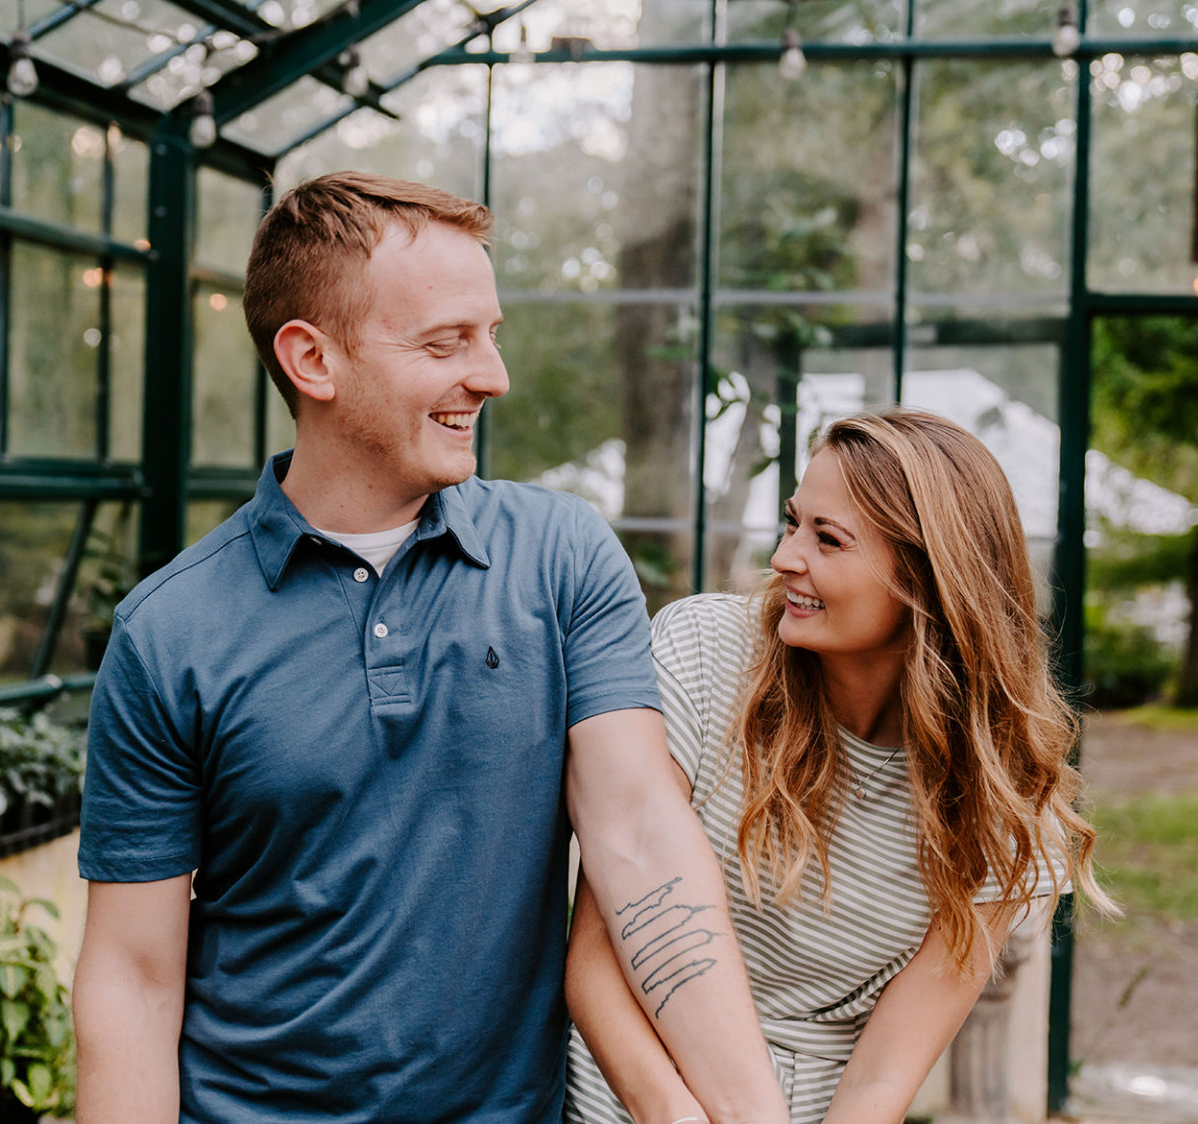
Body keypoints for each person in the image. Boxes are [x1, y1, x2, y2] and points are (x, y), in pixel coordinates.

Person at [71, 172, 791, 1124]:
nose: (492, 376)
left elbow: (643, 841)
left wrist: (751, 1115)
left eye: (492, 335)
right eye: (446, 342)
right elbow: (132, 976)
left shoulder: (562, 559)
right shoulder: (170, 632)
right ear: (311, 360)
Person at [564, 408, 1117, 1124]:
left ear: (927, 580)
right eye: (794, 523)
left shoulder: (1007, 807)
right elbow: (596, 959)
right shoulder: (703, 654)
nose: (786, 558)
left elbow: (882, 1081)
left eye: (828, 540)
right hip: (623, 1101)